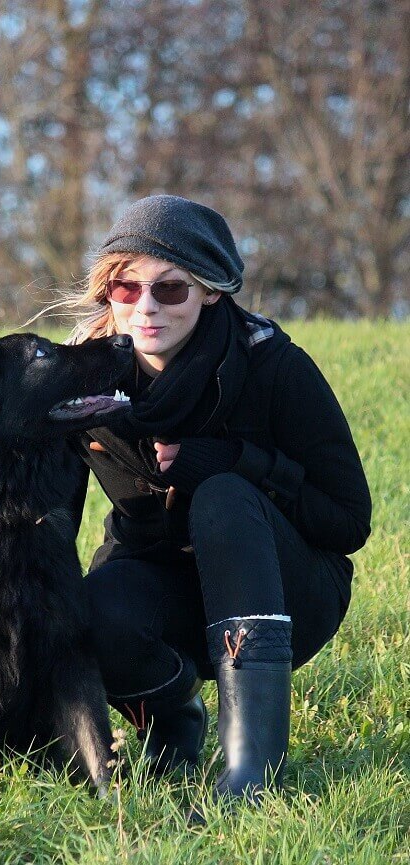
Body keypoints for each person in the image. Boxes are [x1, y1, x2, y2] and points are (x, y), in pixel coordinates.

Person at [65, 195, 371, 804]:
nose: (146, 308)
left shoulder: (272, 364)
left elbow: (348, 522)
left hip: (286, 591)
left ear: (211, 291)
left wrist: (239, 463)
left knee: (224, 497)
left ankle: (250, 772)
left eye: (170, 290)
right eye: (126, 290)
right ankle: (171, 720)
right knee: (83, 609)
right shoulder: (85, 382)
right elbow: (45, 518)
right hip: (163, 580)